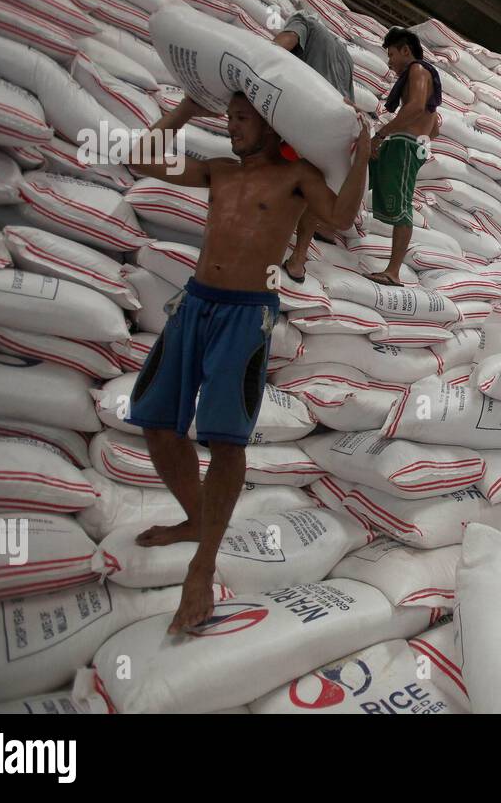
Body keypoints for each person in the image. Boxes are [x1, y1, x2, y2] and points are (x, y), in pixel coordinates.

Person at [119, 92, 370, 633]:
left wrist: (364, 152)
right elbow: (141, 157)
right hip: (194, 304)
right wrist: (189, 106)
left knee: (226, 440)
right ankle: (195, 518)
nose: (232, 127)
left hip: (246, 315)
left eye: (242, 118)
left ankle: (202, 565)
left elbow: (344, 216)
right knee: (158, 424)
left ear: (272, 126)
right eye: (228, 117)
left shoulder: (296, 176)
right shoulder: (218, 171)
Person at [271, 11, 356, 283]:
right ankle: (298, 259)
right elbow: (349, 96)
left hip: (310, 112)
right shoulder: (344, 54)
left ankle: (269, 242)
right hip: (339, 124)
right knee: (313, 186)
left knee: (275, 169)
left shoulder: (303, 21)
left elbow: (281, 45)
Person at [365, 26, 442, 286]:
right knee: (366, 170)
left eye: (391, 55)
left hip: (404, 144)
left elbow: (417, 106)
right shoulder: (424, 79)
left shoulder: (418, 70)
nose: (389, 62)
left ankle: (393, 271)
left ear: (405, 50)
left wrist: (382, 134)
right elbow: (436, 129)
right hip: (409, 143)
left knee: (403, 205)